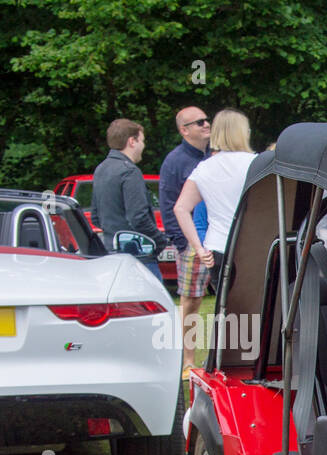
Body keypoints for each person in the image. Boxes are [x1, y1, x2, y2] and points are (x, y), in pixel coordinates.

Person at [159, 106, 212, 376]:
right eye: (199, 122)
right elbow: (169, 205)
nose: (206, 124)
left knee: (232, 296)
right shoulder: (175, 161)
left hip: (217, 237)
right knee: (191, 301)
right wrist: (182, 242)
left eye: (207, 120)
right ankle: (188, 360)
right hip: (192, 241)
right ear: (184, 130)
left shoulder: (215, 155)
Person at [173, 110, 257, 281]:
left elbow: (180, 208)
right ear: (243, 133)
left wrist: (199, 248)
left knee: (224, 297)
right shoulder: (256, 163)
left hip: (217, 247)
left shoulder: (204, 168)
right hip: (254, 246)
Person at [91, 118, 168, 283]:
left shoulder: (101, 169)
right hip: (138, 256)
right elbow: (138, 218)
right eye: (142, 140)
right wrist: (159, 241)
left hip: (111, 256)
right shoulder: (130, 172)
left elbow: (96, 217)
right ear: (132, 141)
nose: (143, 146)